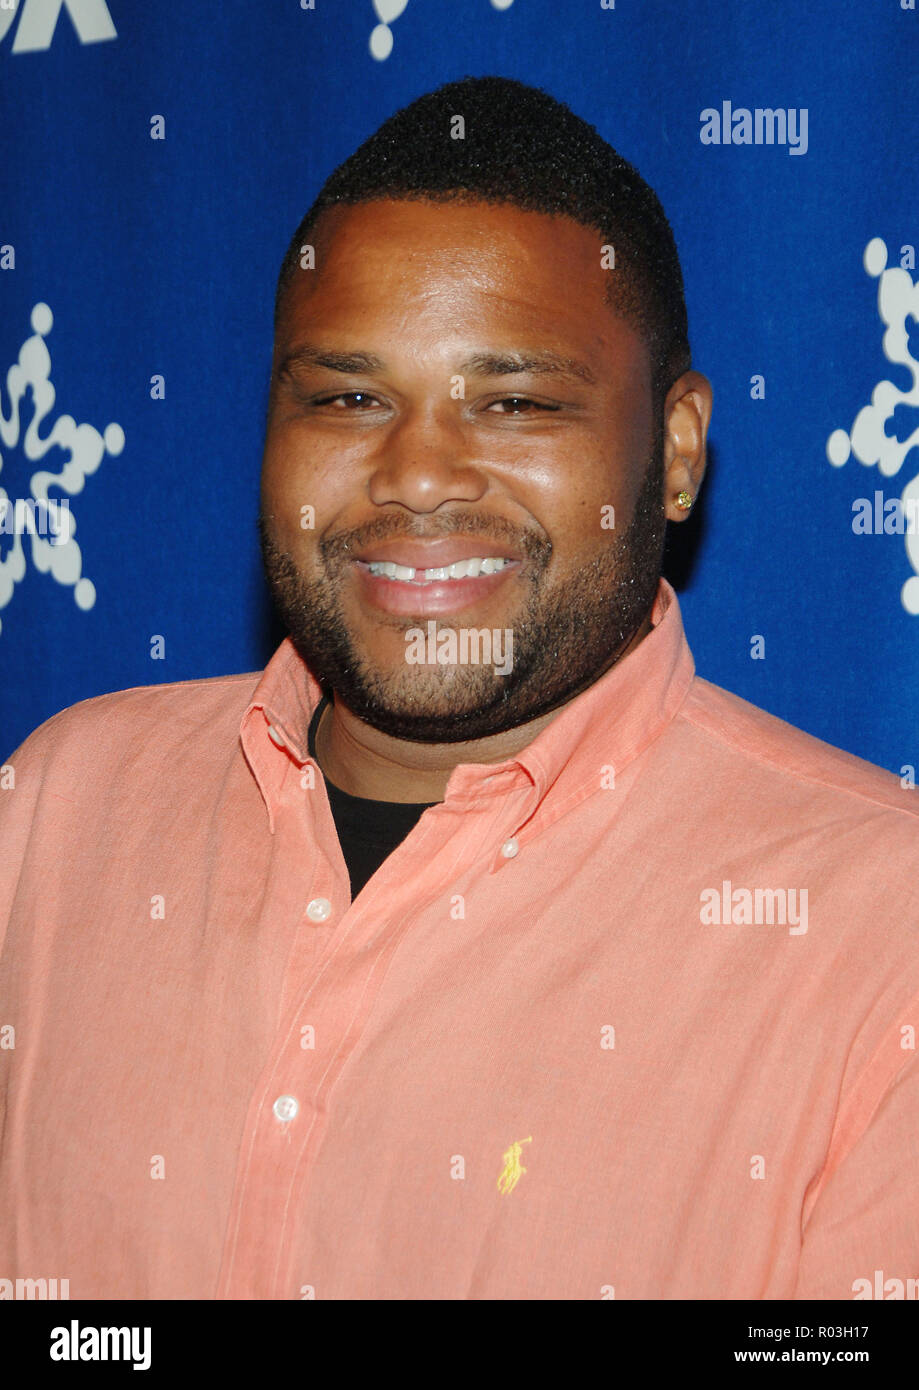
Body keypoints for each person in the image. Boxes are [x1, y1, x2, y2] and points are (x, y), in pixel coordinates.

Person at [1, 76, 917, 1302]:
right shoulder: (57, 811)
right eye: (348, 397)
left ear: (678, 449)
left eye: (517, 402)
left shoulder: (876, 937)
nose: (418, 474)